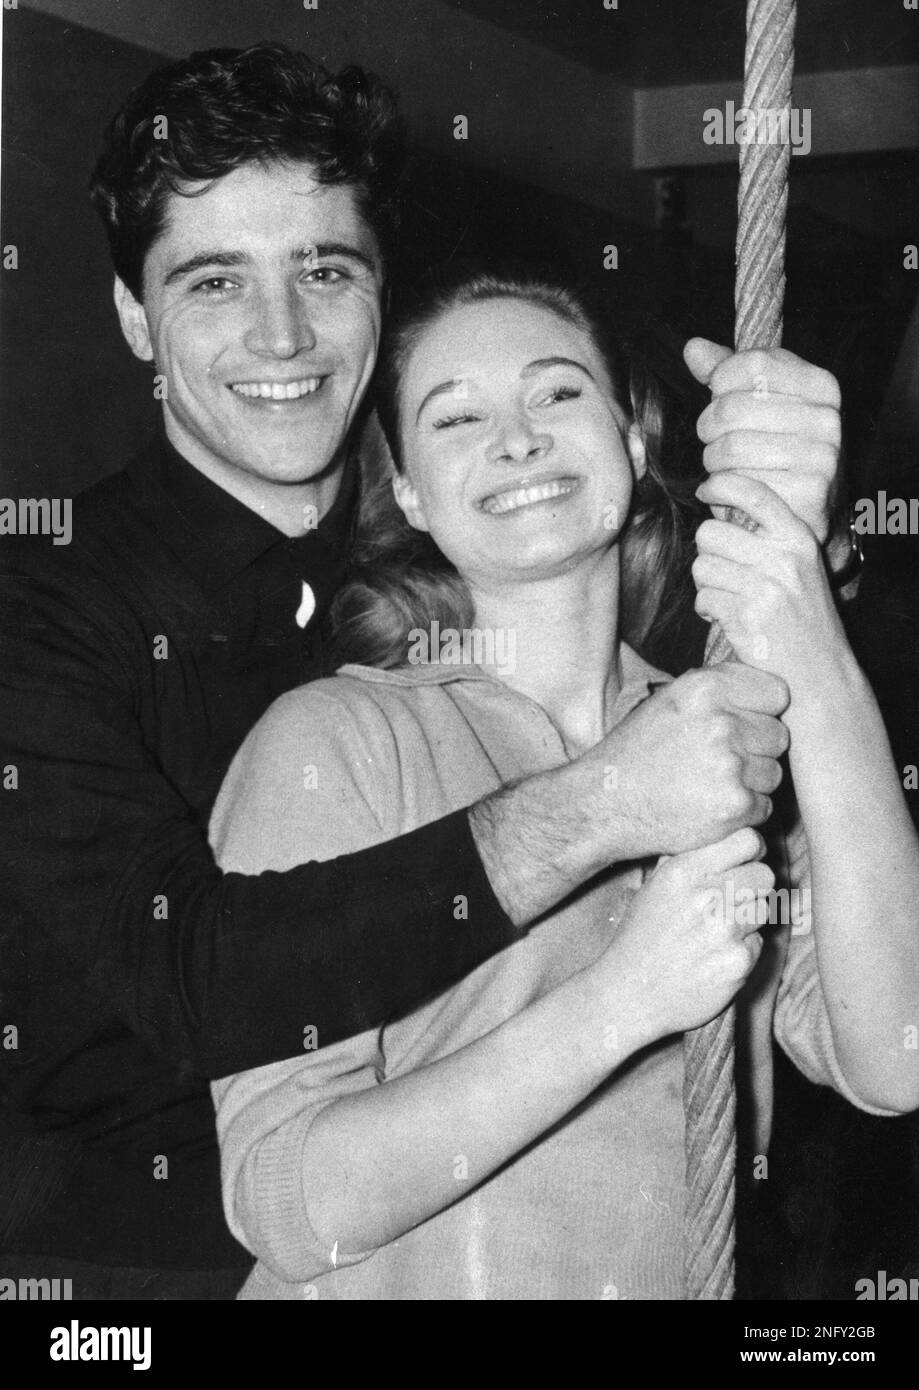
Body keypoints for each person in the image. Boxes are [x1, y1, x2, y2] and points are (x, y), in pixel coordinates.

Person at [0, 41, 838, 1299]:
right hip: (135, 1260)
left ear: (381, 293)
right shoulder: (42, 608)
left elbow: (662, 652)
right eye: (214, 280)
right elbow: (196, 972)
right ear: (134, 318)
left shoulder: (461, 521)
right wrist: (605, 805)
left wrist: (799, 536)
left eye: (325, 269)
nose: (281, 334)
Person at [211, 262, 919, 1301]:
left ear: (633, 445)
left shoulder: (725, 738)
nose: (517, 438)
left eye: (556, 392)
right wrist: (622, 999)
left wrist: (802, 619)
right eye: (456, 420)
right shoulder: (336, 741)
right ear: (406, 488)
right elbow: (284, 1201)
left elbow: (896, 1056)